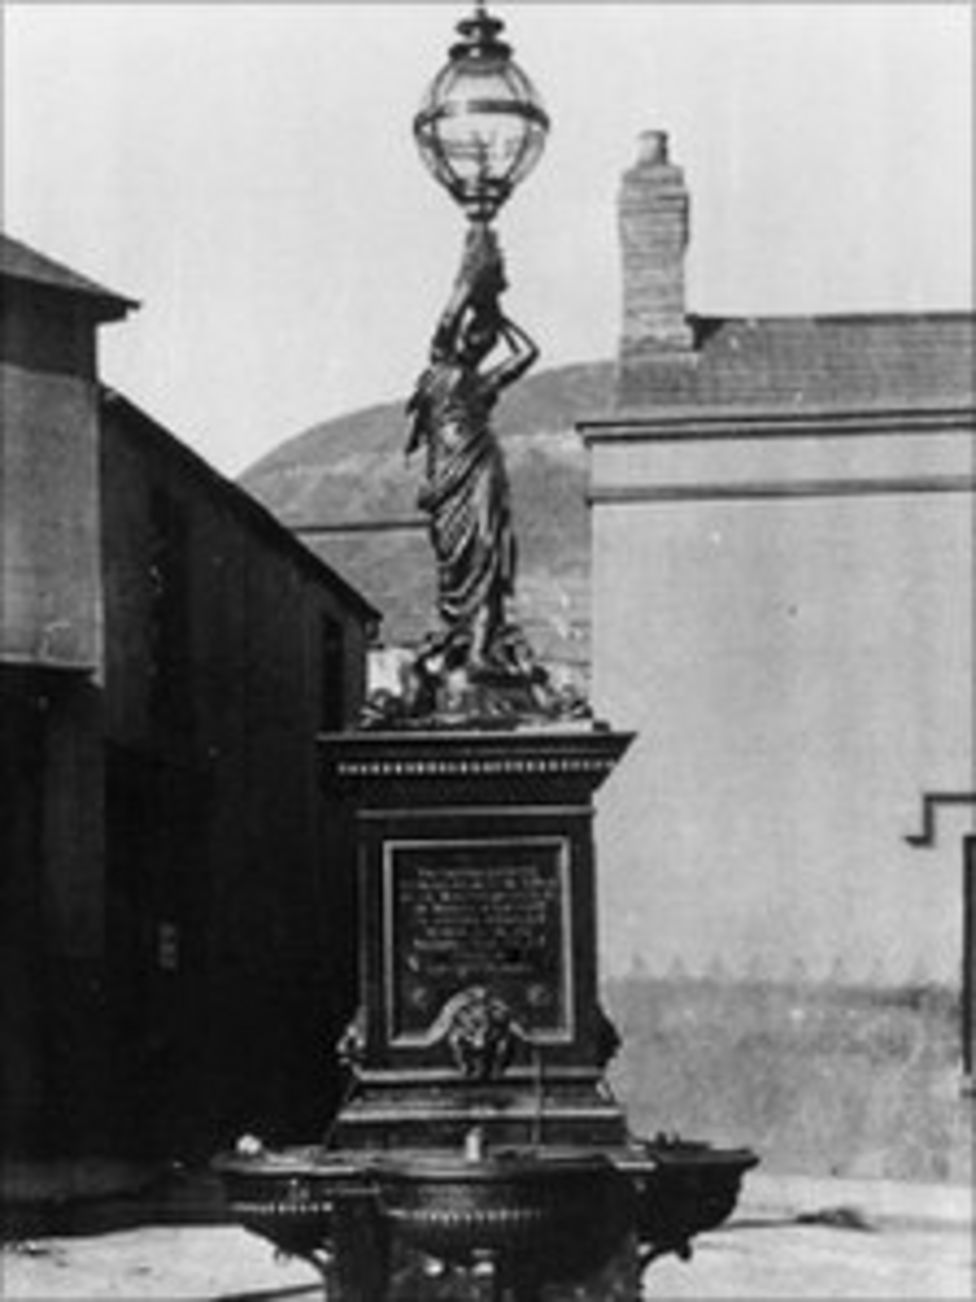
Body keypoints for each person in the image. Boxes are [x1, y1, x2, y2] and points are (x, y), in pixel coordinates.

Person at [406, 225, 538, 674]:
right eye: (473, 333)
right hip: (448, 480)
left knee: (486, 555)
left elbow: (529, 354)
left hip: (479, 468)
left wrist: (498, 316)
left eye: (483, 337)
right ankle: (465, 643)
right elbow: (448, 317)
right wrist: (470, 279)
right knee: (455, 562)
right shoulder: (441, 362)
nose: (474, 339)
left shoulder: (483, 383)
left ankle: (482, 649)